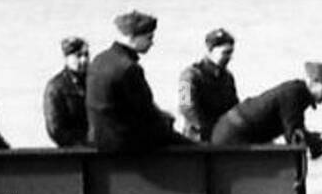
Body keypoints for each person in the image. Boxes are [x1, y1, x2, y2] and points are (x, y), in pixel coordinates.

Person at [87, 10, 188, 153]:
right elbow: (145, 111)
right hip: (125, 143)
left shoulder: (99, 60)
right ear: (133, 37)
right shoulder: (128, 68)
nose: (152, 42)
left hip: (99, 139)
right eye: (149, 37)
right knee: (184, 143)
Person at [210, 61, 322, 156]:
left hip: (233, 131)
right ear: (312, 83)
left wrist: (312, 139)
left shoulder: (297, 93)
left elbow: (294, 130)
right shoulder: (294, 94)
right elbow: (294, 136)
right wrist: (313, 142)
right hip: (232, 135)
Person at [178, 28, 238, 141]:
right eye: (225, 53)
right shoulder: (189, 76)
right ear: (210, 51)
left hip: (223, 139)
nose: (229, 57)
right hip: (197, 140)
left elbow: (233, 107)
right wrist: (204, 130)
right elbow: (186, 107)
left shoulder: (227, 77)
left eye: (231, 52)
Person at [43, 36, 89, 147]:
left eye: (86, 55)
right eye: (78, 56)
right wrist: (78, 145)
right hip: (72, 151)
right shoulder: (56, 87)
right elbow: (55, 128)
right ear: (66, 58)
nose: (84, 60)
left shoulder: (95, 81)